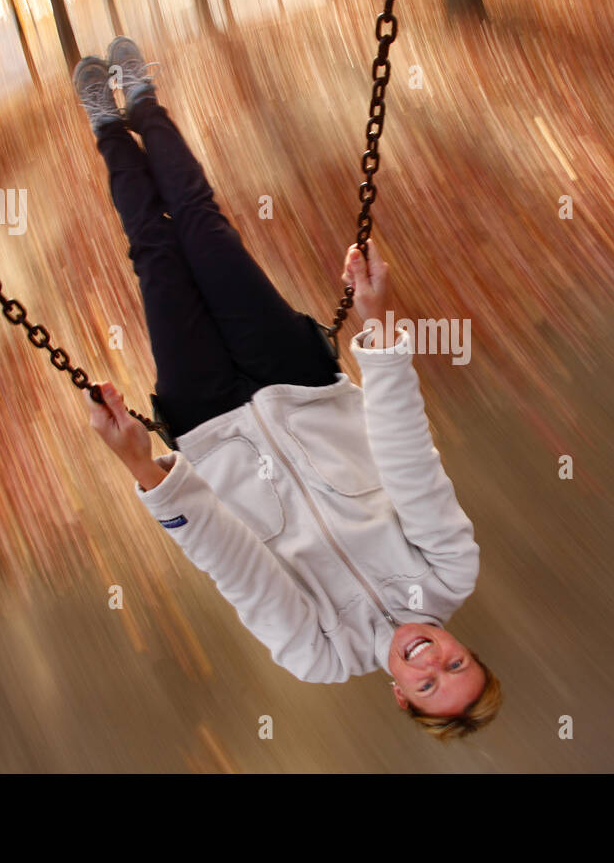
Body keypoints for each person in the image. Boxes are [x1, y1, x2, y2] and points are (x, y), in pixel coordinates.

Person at [73, 37, 501, 739]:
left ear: (401, 696)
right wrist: (380, 328)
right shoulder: (451, 569)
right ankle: (144, 105)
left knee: (155, 256)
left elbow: (236, 566)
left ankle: (105, 128)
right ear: (466, 649)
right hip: (298, 381)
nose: (433, 661)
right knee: (205, 227)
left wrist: (142, 469)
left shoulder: (319, 655)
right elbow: (407, 458)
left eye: (428, 685)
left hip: (210, 426)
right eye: (458, 666)